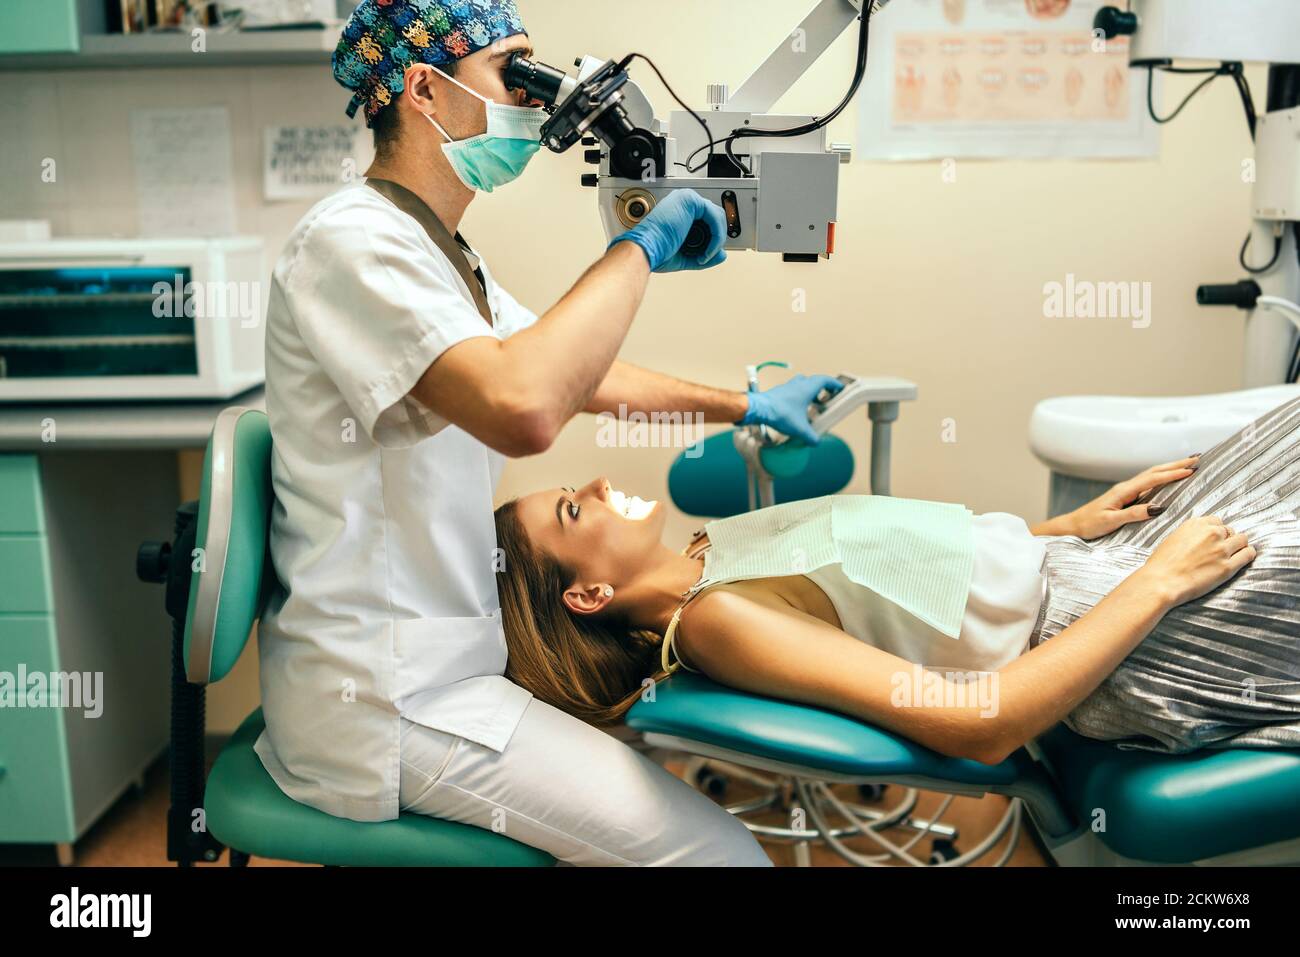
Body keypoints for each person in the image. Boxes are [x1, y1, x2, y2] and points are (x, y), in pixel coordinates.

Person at [254, 0, 839, 866]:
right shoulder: (352, 242)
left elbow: (582, 380)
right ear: (424, 88)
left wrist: (746, 407)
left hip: (449, 664)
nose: (538, 102)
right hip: (385, 699)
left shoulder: (448, 255)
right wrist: (638, 246)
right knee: (724, 857)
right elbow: (525, 407)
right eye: (513, 74)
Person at [494, 395, 1300, 759]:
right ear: (588, 595)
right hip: (1115, 629)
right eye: (573, 510)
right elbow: (977, 722)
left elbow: (905, 572)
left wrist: (1056, 531)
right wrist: (1154, 583)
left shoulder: (711, 548)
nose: (597, 486)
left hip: (1089, 570)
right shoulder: (716, 622)